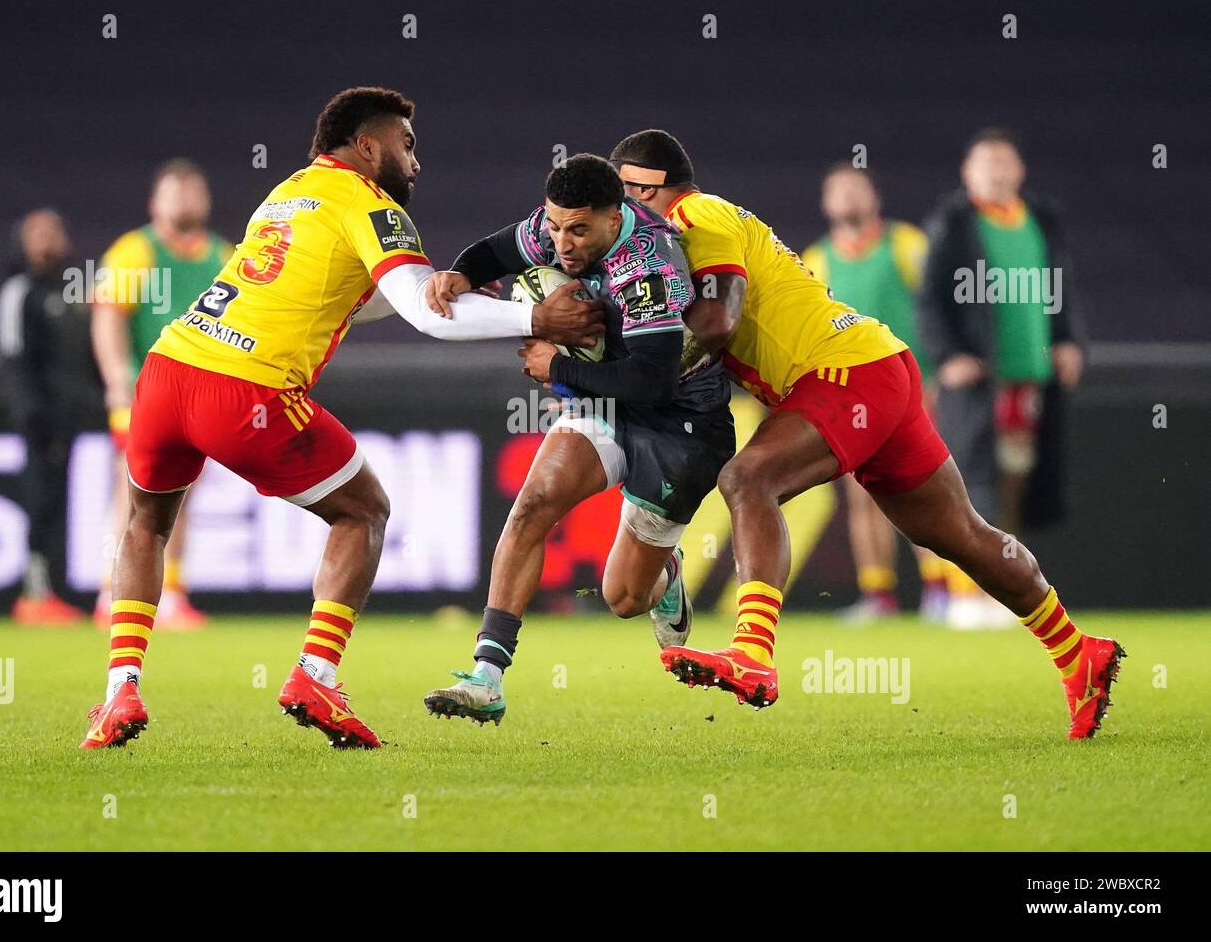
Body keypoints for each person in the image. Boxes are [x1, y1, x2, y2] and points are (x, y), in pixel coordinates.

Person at [79, 87, 601, 751]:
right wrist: (535, 318)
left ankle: (119, 690)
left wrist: (441, 283)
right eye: (405, 145)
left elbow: (339, 301)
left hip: (167, 372)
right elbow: (423, 316)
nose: (415, 161)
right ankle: (315, 675)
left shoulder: (291, 191)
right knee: (364, 511)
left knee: (146, 524)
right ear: (367, 146)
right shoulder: (370, 202)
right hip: (245, 390)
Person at [609, 129, 1121, 740]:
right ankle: (1078, 652)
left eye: (622, 197)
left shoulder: (698, 213)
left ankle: (752, 651)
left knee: (747, 477)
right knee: (960, 534)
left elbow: (718, 320)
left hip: (846, 373)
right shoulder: (679, 239)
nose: (616, 216)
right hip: (872, 367)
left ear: (649, 188)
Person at [422, 154, 734, 725]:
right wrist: (460, 275)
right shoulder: (560, 228)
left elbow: (652, 380)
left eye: (578, 230)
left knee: (621, 599)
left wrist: (555, 367)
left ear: (616, 219)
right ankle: (486, 676)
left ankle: (664, 574)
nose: (562, 243)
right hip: (604, 401)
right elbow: (495, 250)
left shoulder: (647, 268)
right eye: (555, 225)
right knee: (534, 502)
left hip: (681, 421)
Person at [918, 129, 1086, 629]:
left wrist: (1069, 340)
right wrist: (947, 356)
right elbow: (928, 298)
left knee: (1020, 481)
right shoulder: (952, 224)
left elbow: (1062, 286)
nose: (996, 171)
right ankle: (967, 594)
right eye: (985, 163)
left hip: (1030, 377)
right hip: (978, 381)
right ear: (967, 173)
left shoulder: (1041, 220)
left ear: (1020, 170)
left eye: (1004, 162)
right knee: (970, 481)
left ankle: (1013, 589)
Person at [801, 164, 949, 623]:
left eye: (856, 189)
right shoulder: (816, 259)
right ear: (826, 204)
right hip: (850, 396)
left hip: (912, 388)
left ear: (874, 198)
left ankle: (942, 593)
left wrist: (939, 373)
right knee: (861, 496)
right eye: (838, 191)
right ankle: (878, 596)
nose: (847, 199)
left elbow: (941, 306)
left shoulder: (906, 245)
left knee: (922, 488)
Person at [90, 160, 232, 630]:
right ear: (156, 203)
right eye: (176, 192)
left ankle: (170, 590)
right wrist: (116, 377)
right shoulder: (138, 250)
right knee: (132, 493)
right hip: (143, 393)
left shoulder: (222, 255)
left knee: (183, 490)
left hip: (200, 395)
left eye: (194, 190)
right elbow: (109, 314)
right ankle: (113, 590)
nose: (186, 200)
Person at [0, 209, 90, 626]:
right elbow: (14, 358)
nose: (48, 239)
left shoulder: (76, 293)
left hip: (73, 418)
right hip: (41, 420)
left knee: (62, 502)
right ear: (22, 242)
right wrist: (31, 414)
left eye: (54, 230)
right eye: (38, 233)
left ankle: (51, 589)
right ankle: (34, 592)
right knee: (40, 498)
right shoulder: (20, 291)